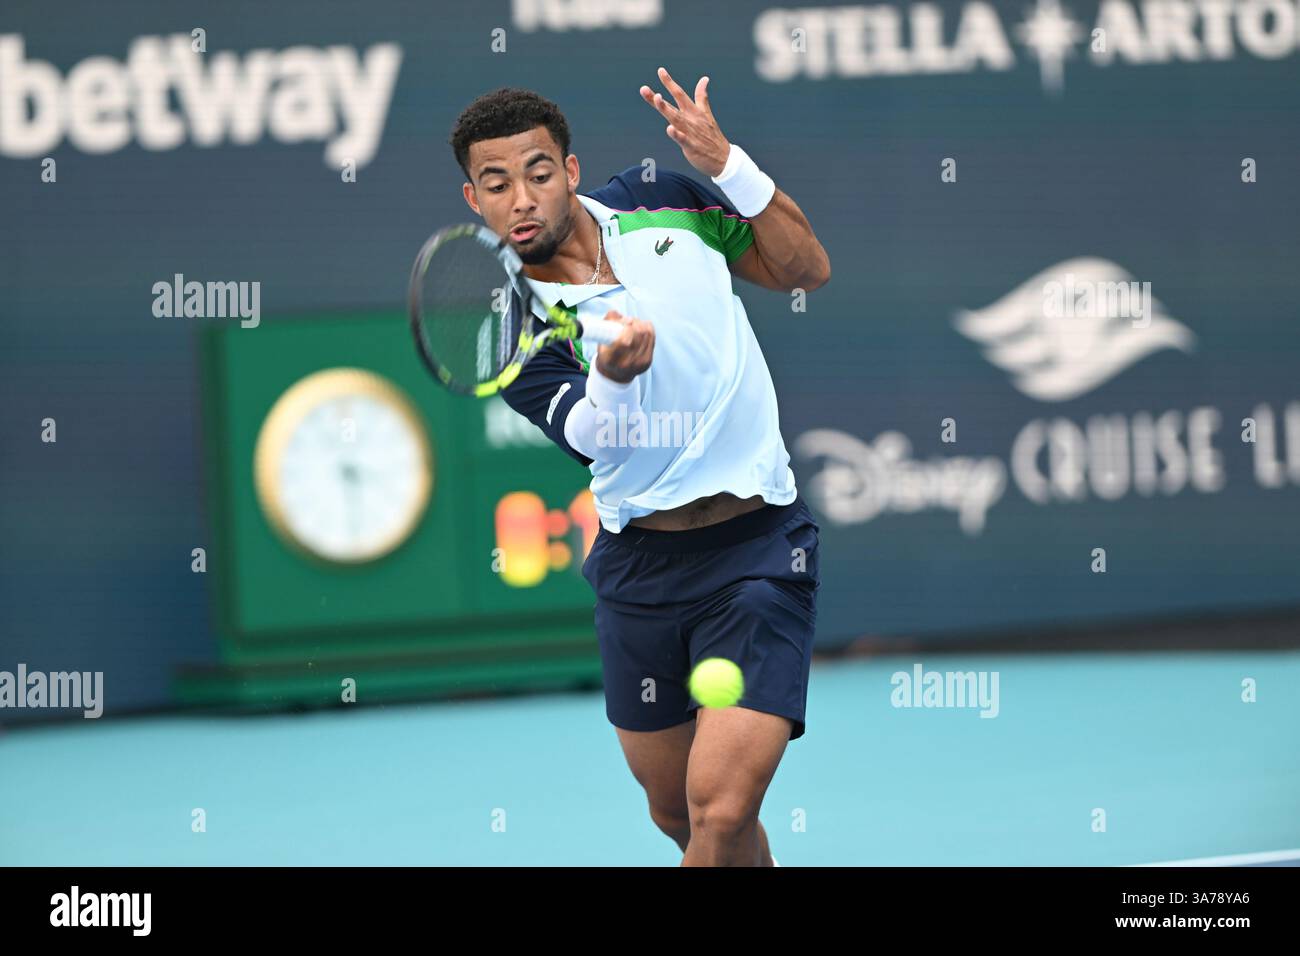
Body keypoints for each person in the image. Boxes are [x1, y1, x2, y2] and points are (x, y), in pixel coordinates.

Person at [449, 69, 831, 866]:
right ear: (473, 203)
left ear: (572, 172)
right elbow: (595, 438)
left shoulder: (662, 197)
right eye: (497, 184)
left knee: (720, 810)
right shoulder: (515, 332)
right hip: (639, 573)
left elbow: (803, 269)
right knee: (680, 820)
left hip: (758, 552)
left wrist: (729, 163)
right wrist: (615, 376)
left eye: (538, 173)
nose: (521, 197)